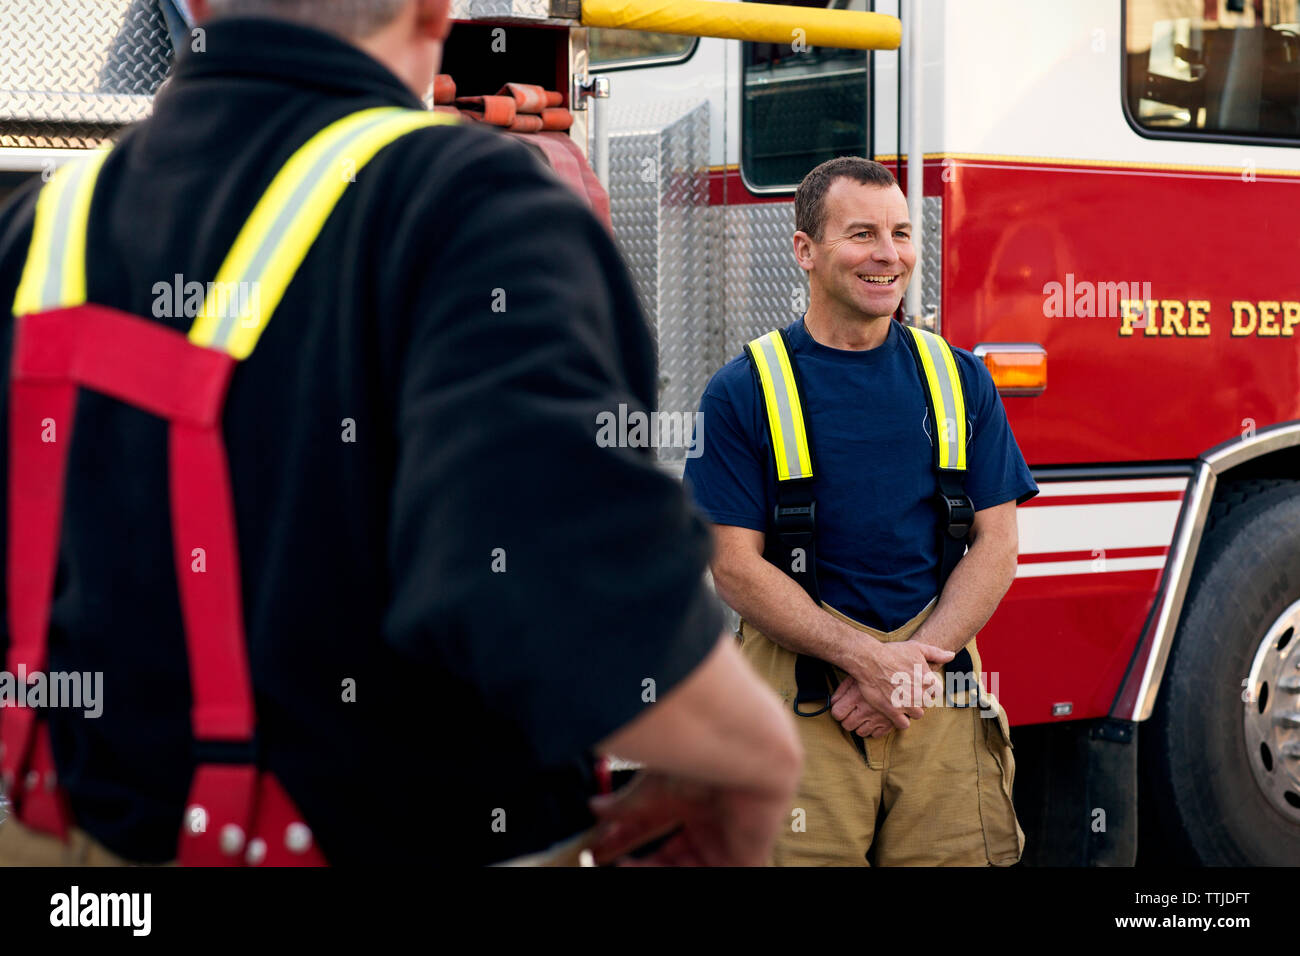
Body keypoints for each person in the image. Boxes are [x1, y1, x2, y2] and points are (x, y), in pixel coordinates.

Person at [0, 0, 800, 866]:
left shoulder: (43, 227)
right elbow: (553, 586)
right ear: (434, 10)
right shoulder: (466, 203)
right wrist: (748, 753)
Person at [684, 156, 1037, 866]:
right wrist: (865, 663)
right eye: (862, 234)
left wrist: (905, 671)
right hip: (802, 700)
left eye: (902, 234)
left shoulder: (960, 377)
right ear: (805, 251)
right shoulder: (744, 390)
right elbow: (732, 566)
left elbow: (997, 545)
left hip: (934, 694)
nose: (888, 255)